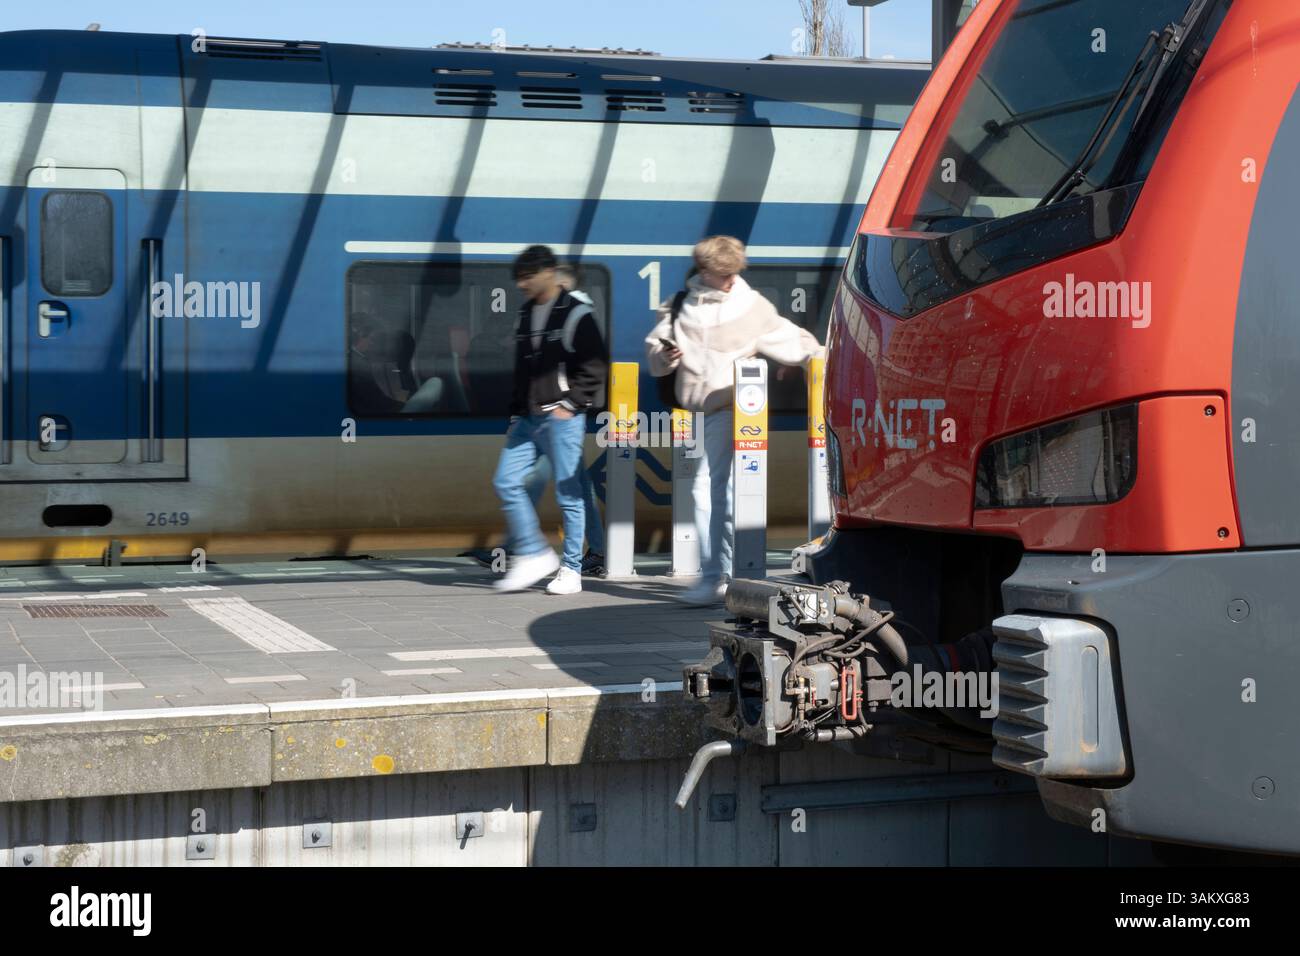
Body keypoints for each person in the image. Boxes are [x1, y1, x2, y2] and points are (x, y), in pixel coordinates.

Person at [645, 236, 823, 606]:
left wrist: (818, 360)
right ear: (705, 271)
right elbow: (655, 350)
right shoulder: (680, 305)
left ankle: (717, 577)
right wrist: (666, 355)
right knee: (712, 492)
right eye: (724, 274)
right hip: (692, 412)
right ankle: (719, 575)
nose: (730, 280)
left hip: (731, 411)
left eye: (734, 273)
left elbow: (791, 339)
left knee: (709, 489)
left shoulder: (750, 306)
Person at [493, 245, 607, 594]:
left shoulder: (577, 314)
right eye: (519, 278)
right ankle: (534, 552)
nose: (521, 285)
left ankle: (571, 569)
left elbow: (596, 365)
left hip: (562, 418)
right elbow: (523, 370)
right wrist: (515, 412)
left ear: (548, 273)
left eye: (527, 277)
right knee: (505, 481)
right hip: (529, 419)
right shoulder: (527, 314)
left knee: (569, 494)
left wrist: (571, 405)